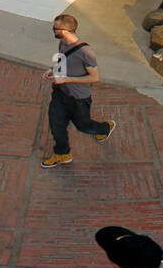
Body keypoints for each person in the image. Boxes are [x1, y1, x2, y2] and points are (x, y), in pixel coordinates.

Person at [43, 13, 112, 166]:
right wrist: (53, 71)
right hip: (61, 93)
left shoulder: (86, 53)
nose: (53, 30)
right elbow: (60, 60)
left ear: (65, 30)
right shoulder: (62, 42)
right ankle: (62, 154)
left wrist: (66, 79)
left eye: (55, 28)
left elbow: (94, 78)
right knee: (56, 124)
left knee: (83, 126)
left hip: (79, 99)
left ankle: (105, 128)